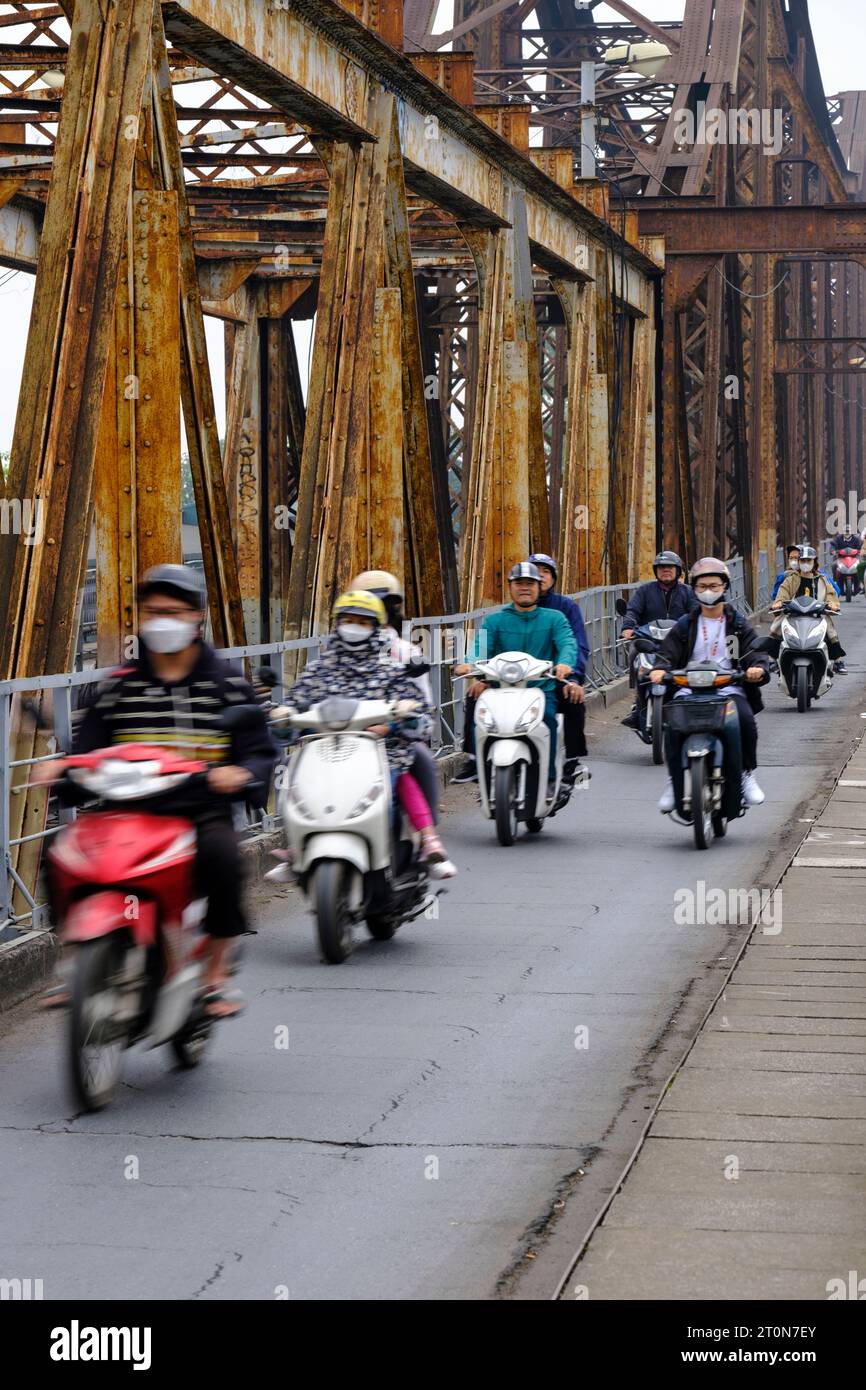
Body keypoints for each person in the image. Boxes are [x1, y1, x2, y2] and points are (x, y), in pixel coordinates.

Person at [37, 564, 277, 1018]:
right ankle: (74, 959)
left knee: (224, 860)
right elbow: (85, 748)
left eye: (174, 611)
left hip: (197, 809)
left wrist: (241, 775)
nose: (162, 621)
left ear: (197, 619)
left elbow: (259, 749)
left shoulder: (227, 685)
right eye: (153, 611)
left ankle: (215, 974)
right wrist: (62, 770)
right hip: (121, 812)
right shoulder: (119, 687)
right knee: (61, 851)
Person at [287, 590, 456, 878]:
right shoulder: (319, 669)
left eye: (362, 622)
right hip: (327, 752)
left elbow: (421, 715)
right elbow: (296, 704)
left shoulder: (391, 669)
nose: (354, 627)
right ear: (337, 624)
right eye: (348, 620)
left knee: (397, 781)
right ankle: (295, 848)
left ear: (376, 627)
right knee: (296, 784)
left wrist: (398, 721)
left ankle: (427, 840)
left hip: (380, 753)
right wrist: (284, 719)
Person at [455, 552, 587, 785]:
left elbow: (568, 642)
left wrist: (566, 665)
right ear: (510, 587)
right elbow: (480, 647)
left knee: (547, 719)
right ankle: (477, 760)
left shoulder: (556, 617)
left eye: (530, 583)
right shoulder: (495, 620)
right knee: (477, 703)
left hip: (541, 686)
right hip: (501, 685)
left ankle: (550, 779)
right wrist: (472, 665)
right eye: (519, 584)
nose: (524, 588)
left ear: (540, 586)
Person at [650, 558, 770, 813]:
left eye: (714, 585)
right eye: (702, 585)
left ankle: (746, 775)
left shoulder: (736, 623)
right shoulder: (686, 624)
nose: (708, 590)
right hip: (688, 688)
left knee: (745, 721)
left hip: (728, 688)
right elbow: (668, 652)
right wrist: (659, 669)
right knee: (671, 727)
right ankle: (675, 781)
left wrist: (757, 667)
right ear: (694, 588)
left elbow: (752, 650)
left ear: (724, 587)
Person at [350, 569, 440, 822]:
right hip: (346, 736)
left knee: (420, 760)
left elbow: (423, 705)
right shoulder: (337, 651)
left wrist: (399, 722)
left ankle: (427, 835)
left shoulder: (405, 653)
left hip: (391, 737)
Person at [620, 551, 698, 731]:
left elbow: (696, 613)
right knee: (634, 653)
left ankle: (690, 701)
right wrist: (627, 627)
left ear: (678, 571)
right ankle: (637, 702)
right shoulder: (644, 591)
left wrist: (694, 627)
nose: (666, 571)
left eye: (670, 567)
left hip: (679, 643)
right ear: (656, 571)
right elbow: (632, 611)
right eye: (662, 568)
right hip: (650, 642)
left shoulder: (688, 592)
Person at [769, 544, 846, 672]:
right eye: (802, 560)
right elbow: (782, 593)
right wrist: (778, 603)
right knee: (777, 625)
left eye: (808, 560)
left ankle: (837, 661)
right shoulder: (790, 579)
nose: (805, 563)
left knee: (830, 629)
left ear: (814, 562)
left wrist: (833, 604)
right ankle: (771, 659)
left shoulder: (822, 579)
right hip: (793, 614)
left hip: (817, 614)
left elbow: (831, 595)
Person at [772, 542, 840, 600]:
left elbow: (835, 592)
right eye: (791, 558)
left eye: (796, 558)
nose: (794, 561)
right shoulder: (784, 576)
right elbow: (776, 596)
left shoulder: (821, 576)